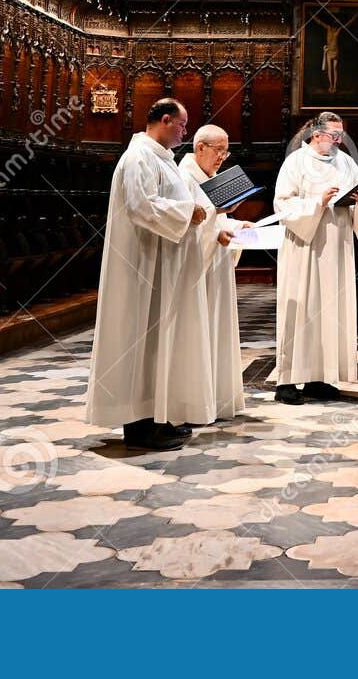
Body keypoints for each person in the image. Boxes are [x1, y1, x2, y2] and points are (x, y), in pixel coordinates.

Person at [84, 98, 212, 451]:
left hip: (161, 263)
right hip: (141, 265)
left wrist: (192, 212)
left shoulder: (160, 158)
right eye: (183, 126)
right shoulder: (138, 157)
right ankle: (139, 427)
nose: (185, 132)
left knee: (157, 343)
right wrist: (189, 213)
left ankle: (158, 417)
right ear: (166, 120)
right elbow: (142, 206)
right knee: (139, 341)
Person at [271, 111, 358, 404]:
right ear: (317, 135)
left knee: (330, 311)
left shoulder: (345, 162)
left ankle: (320, 376)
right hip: (305, 248)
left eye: (341, 135)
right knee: (301, 310)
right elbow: (283, 204)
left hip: (336, 247)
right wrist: (318, 202)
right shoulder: (296, 162)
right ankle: (288, 380)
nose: (338, 140)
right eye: (333, 135)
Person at [174, 124, 248, 424]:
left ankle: (216, 399)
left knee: (216, 329)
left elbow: (215, 220)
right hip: (195, 270)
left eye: (225, 151)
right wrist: (215, 231)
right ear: (199, 147)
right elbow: (183, 225)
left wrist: (236, 225)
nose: (222, 157)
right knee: (196, 332)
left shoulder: (212, 178)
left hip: (215, 267)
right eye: (218, 150)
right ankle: (193, 404)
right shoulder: (183, 178)